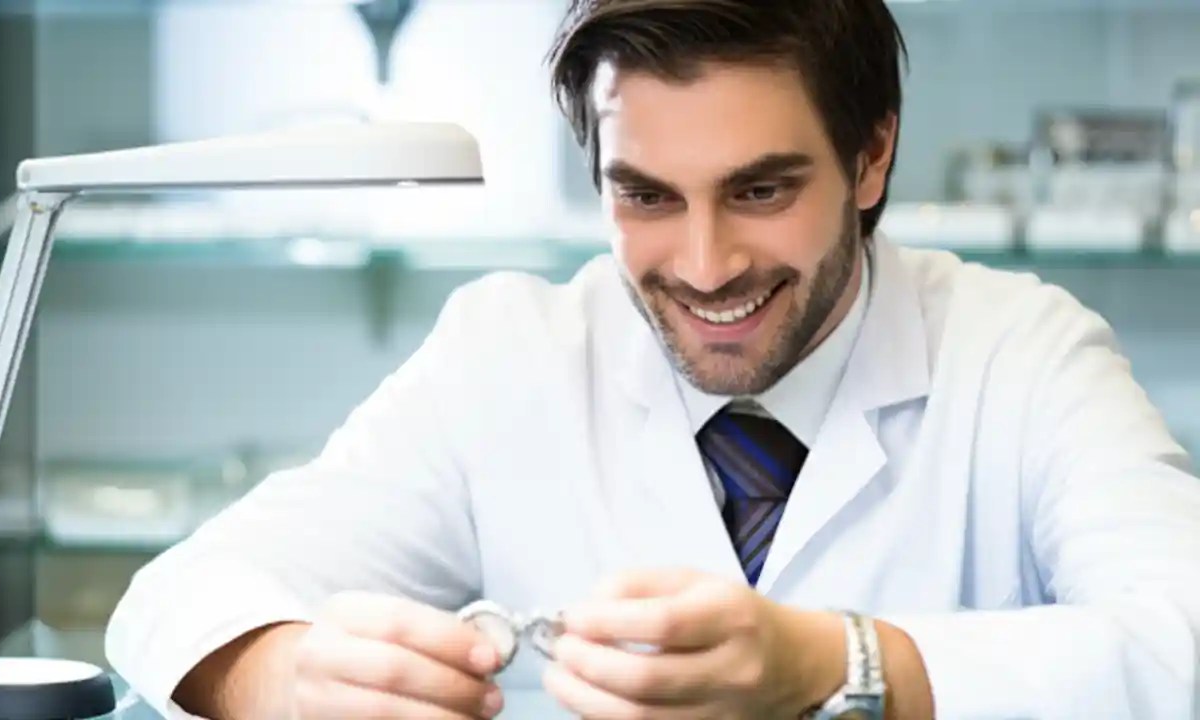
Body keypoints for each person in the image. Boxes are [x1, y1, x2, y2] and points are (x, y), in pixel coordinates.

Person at [106, 1, 1200, 718]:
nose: (703, 263)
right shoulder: (512, 354)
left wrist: (838, 666)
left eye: (760, 190)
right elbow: (180, 594)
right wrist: (283, 675)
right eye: (643, 195)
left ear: (870, 157)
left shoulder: (1021, 352)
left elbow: (1178, 641)